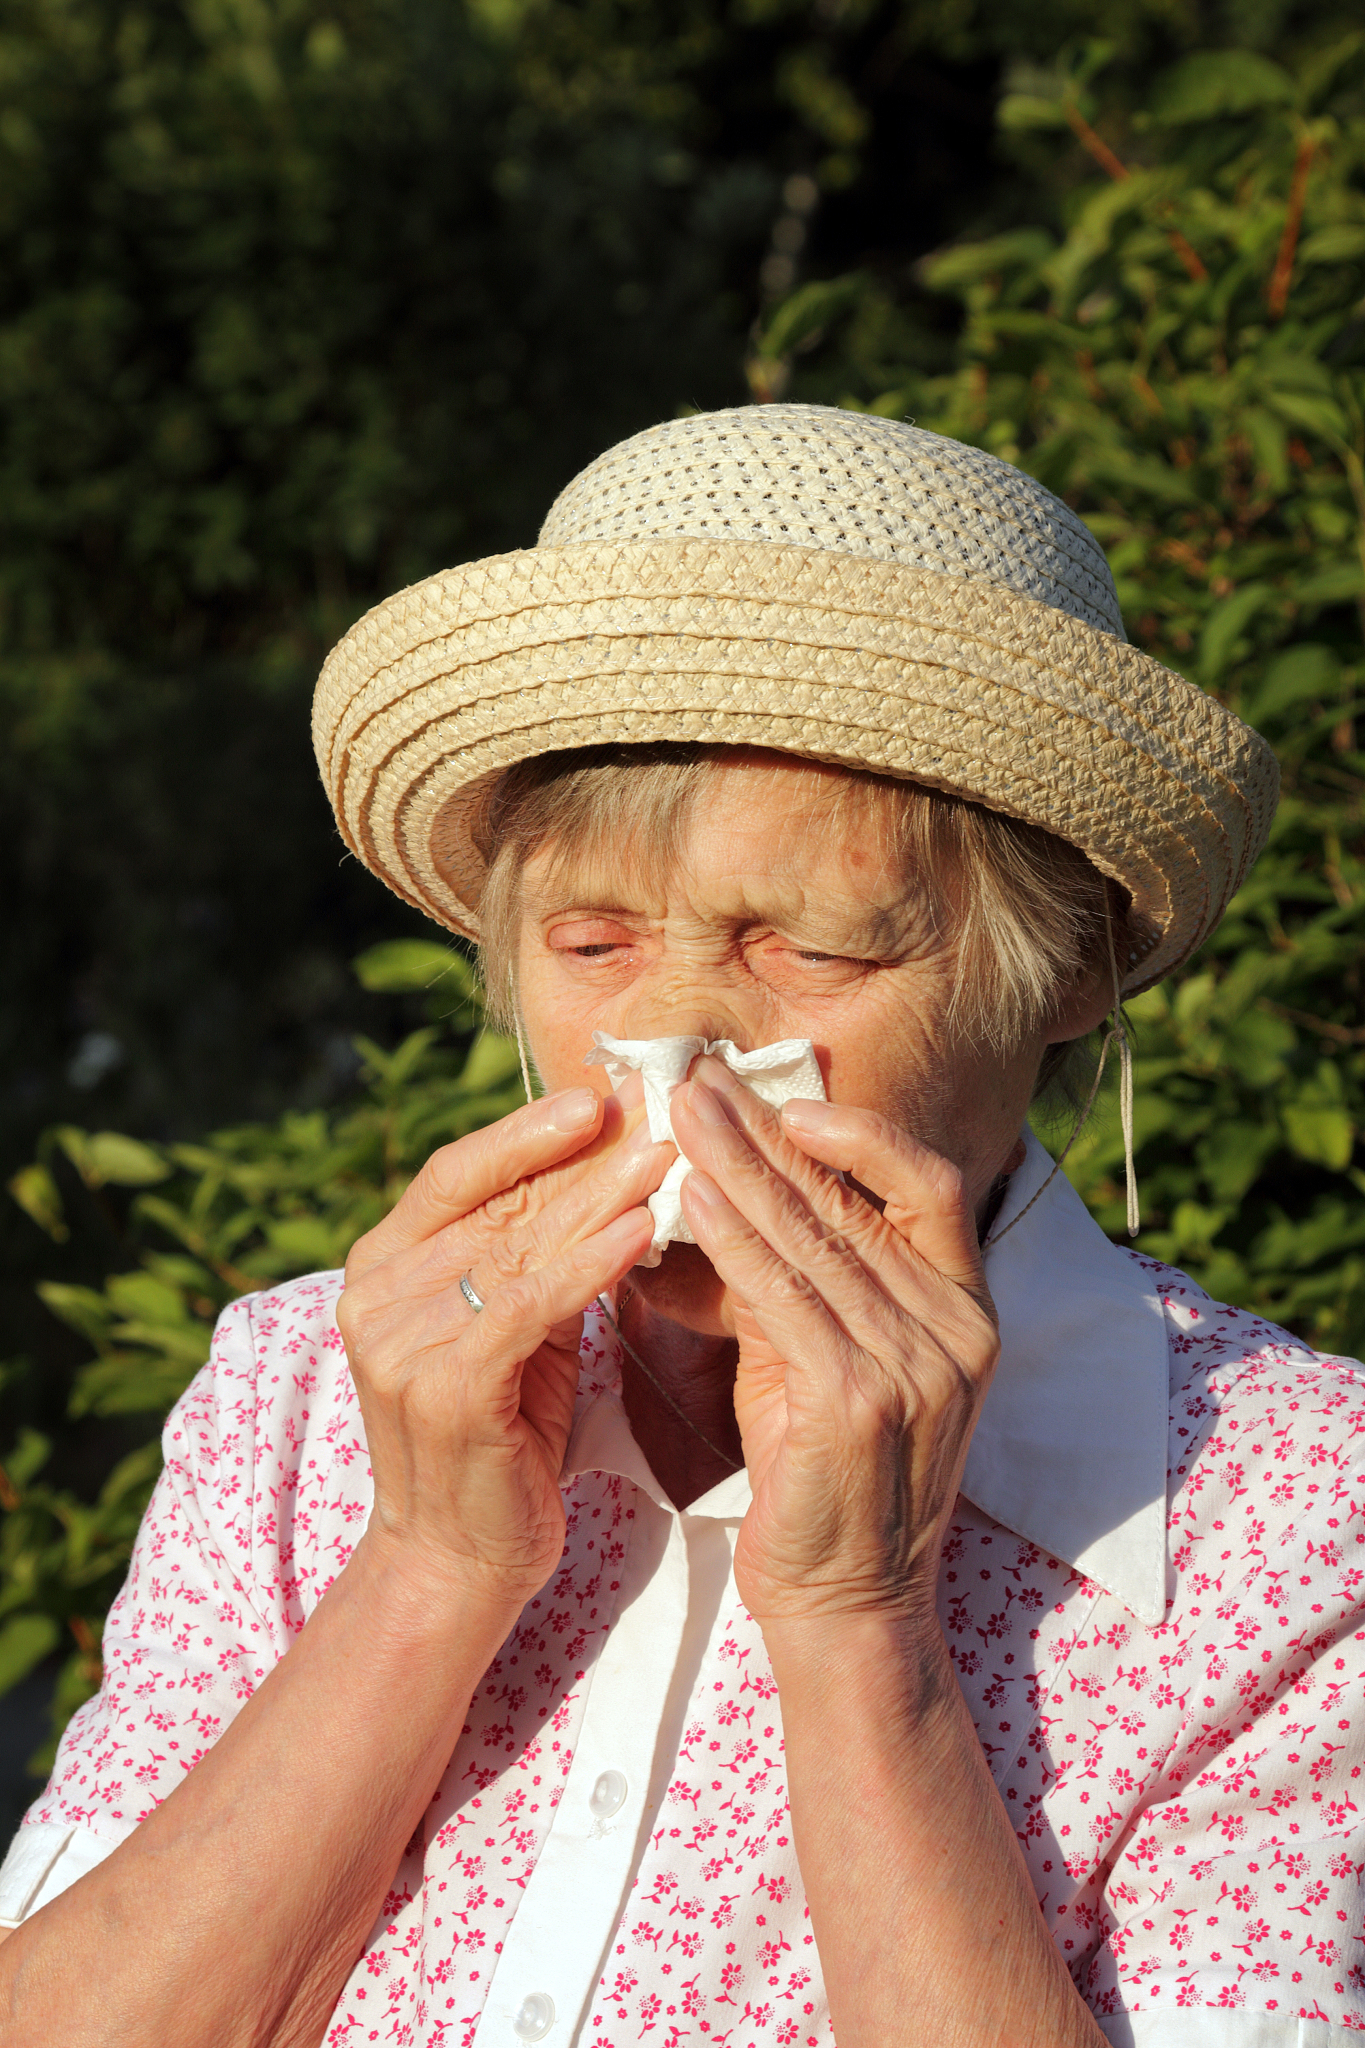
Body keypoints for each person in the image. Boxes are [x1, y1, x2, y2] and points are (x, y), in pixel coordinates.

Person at [0, 405, 1359, 2048]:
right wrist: (427, 1565)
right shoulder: (305, 1384)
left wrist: (866, 1627)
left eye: (814, 953)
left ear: (1063, 975)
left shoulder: (1291, 1520)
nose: (682, 1047)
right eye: (591, 946)